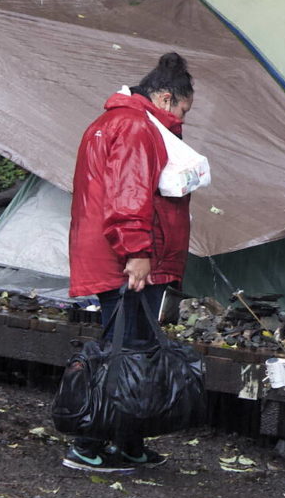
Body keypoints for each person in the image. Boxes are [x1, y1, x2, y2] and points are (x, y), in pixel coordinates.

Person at [61, 51, 196, 473]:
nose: (180, 122)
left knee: (134, 347)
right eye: (181, 113)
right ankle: (88, 443)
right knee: (123, 350)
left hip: (109, 251)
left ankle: (128, 441)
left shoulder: (108, 123)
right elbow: (130, 195)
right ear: (165, 97)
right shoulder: (137, 127)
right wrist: (138, 254)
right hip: (125, 256)